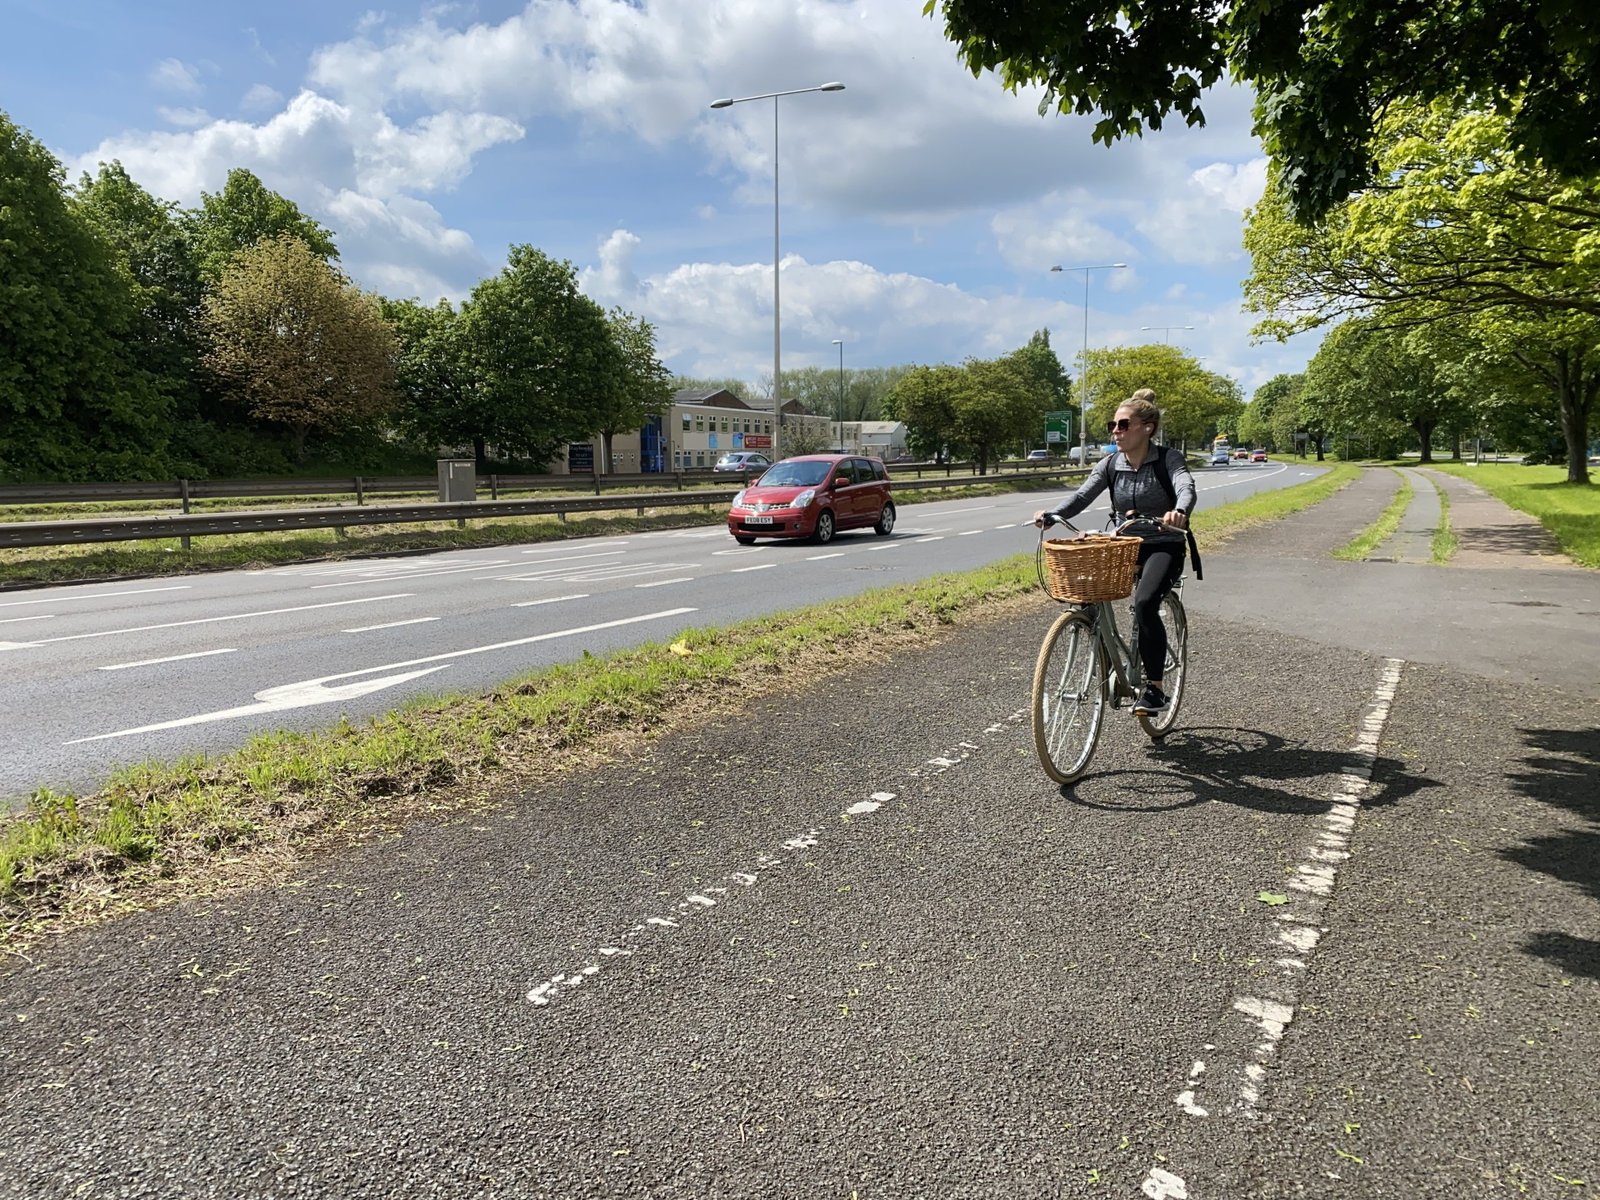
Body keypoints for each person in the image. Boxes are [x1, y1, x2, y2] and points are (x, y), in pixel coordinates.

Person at [1033, 388, 1195, 715]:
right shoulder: (1110, 465)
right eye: (1113, 425)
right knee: (1088, 590)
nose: (1115, 431)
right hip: (1122, 544)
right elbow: (1081, 497)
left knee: (1145, 602)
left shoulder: (1168, 459)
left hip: (1163, 544)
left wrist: (1179, 511)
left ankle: (1155, 688)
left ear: (1147, 427)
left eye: (1123, 425)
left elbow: (1185, 486)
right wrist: (1054, 514)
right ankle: (1104, 645)